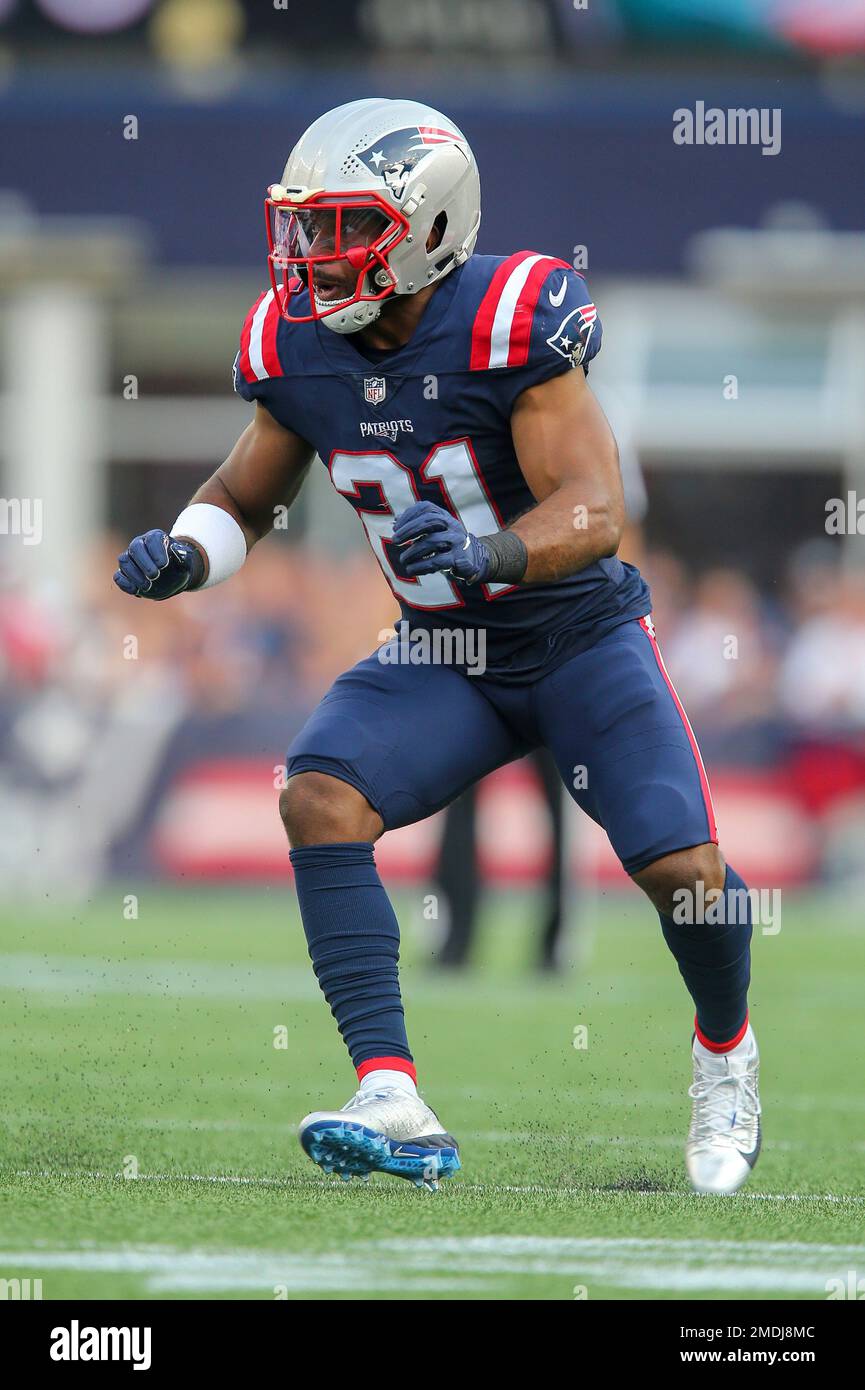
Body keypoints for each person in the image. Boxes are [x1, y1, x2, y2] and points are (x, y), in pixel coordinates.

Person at [114, 97, 760, 1195]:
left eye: (338, 226)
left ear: (426, 227)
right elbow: (245, 494)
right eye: (302, 227)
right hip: (443, 654)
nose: (310, 254)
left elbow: (595, 511)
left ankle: (724, 1053)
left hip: (576, 637)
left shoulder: (515, 313)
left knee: (686, 872)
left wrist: (487, 550)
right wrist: (187, 553)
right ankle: (390, 1089)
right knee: (319, 794)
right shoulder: (293, 345)